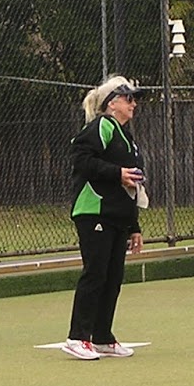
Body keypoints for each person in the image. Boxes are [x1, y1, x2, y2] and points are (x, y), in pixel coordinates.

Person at [63, 75, 145, 359]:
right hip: (93, 211)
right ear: (112, 104)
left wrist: (134, 226)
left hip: (117, 216)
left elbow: (132, 185)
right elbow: (81, 158)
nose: (134, 104)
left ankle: (102, 337)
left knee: (113, 277)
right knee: (96, 273)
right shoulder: (101, 126)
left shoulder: (127, 137)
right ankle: (77, 337)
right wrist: (117, 173)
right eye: (129, 98)